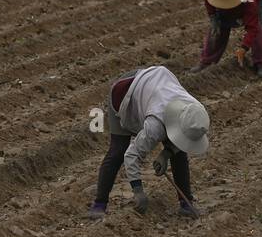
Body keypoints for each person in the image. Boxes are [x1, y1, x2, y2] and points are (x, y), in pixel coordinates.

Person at [88, 65, 209, 220]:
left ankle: (186, 204)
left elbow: (185, 136)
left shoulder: (194, 111)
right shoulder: (156, 125)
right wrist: (138, 191)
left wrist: (166, 154)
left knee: (179, 155)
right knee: (118, 150)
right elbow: (131, 155)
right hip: (125, 92)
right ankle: (99, 205)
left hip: (154, 88)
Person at [195, 0, 262, 78]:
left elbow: (252, 28)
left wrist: (243, 48)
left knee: (257, 29)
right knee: (218, 26)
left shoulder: (249, 0)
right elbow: (209, 4)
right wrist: (213, 19)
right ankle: (207, 62)